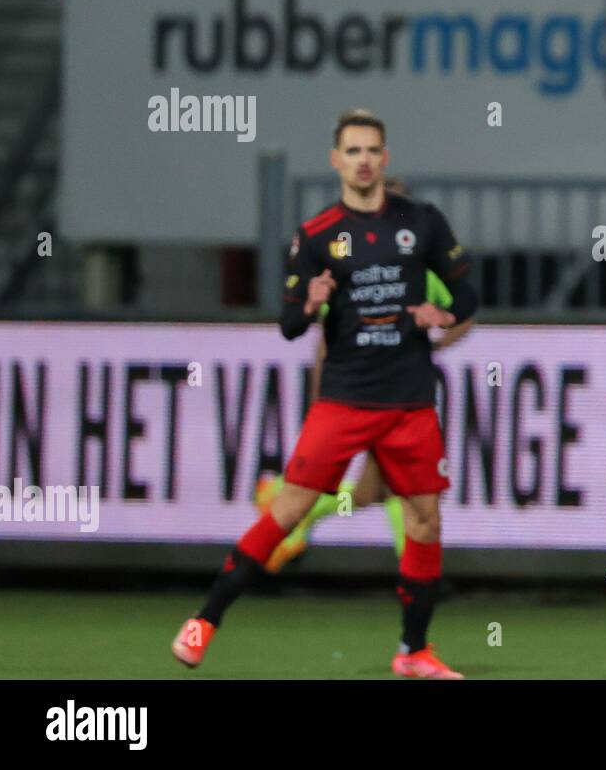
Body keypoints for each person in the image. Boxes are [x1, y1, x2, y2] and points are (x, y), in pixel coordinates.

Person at [171, 109, 479, 679]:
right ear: (336, 160)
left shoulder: (423, 223)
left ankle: (413, 652)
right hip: (346, 396)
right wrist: (307, 303)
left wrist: (444, 312)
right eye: (352, 151)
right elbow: (289, 324)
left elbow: (468, 296)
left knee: (426, 520)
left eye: (372, 150)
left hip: (409, 398)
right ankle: (205, 619)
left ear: (384, 158)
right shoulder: (315, 236)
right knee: (287, 510)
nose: (363, 160)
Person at [255, 177, 476, 572]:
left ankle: (289, 513)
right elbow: (327, 337)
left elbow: (464, 312)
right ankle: (416, 572)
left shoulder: (419, 269)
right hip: (366, 394)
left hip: (400, 392)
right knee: (389, 490)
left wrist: (436, 338)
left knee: (373, 490)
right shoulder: (353, 268)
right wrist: (325, 394)